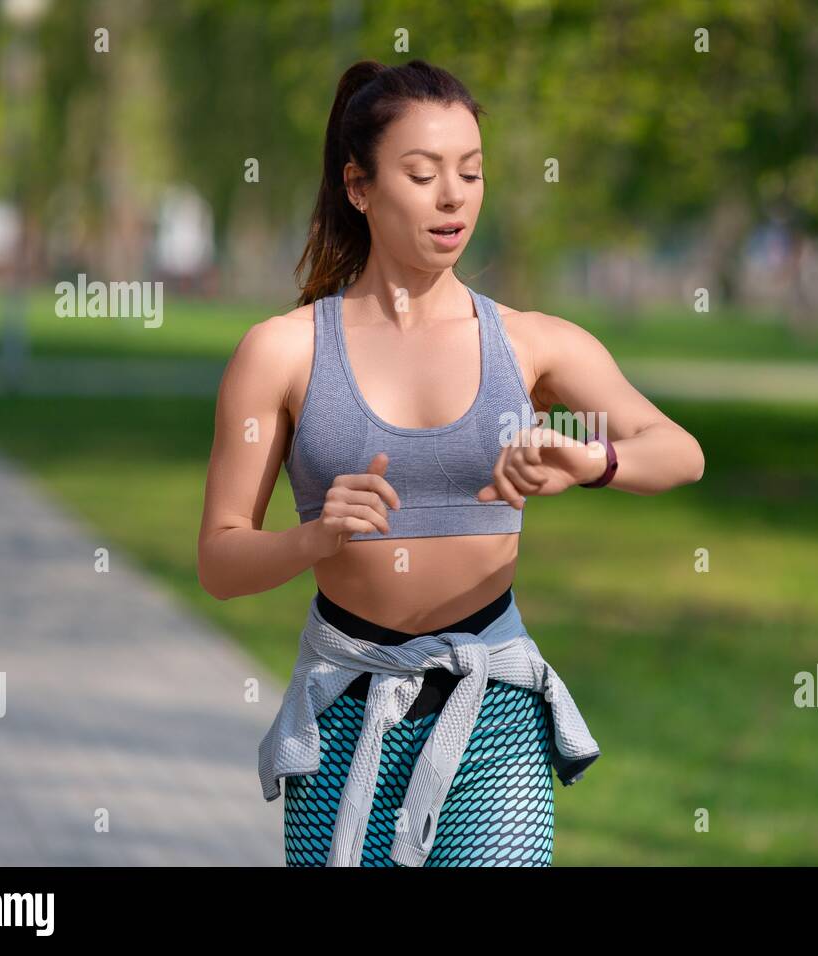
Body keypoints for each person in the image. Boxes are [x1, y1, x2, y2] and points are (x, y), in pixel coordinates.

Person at [196, 58, 705, 867]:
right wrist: (315, 539)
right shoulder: (282, 354)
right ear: (359, 187)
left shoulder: (534, 343)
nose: (454, 196)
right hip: (345, 701)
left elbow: (680, 452)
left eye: (470, 172)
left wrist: (587, 459)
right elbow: (221, 561)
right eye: (423, 173)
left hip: (492, 702)